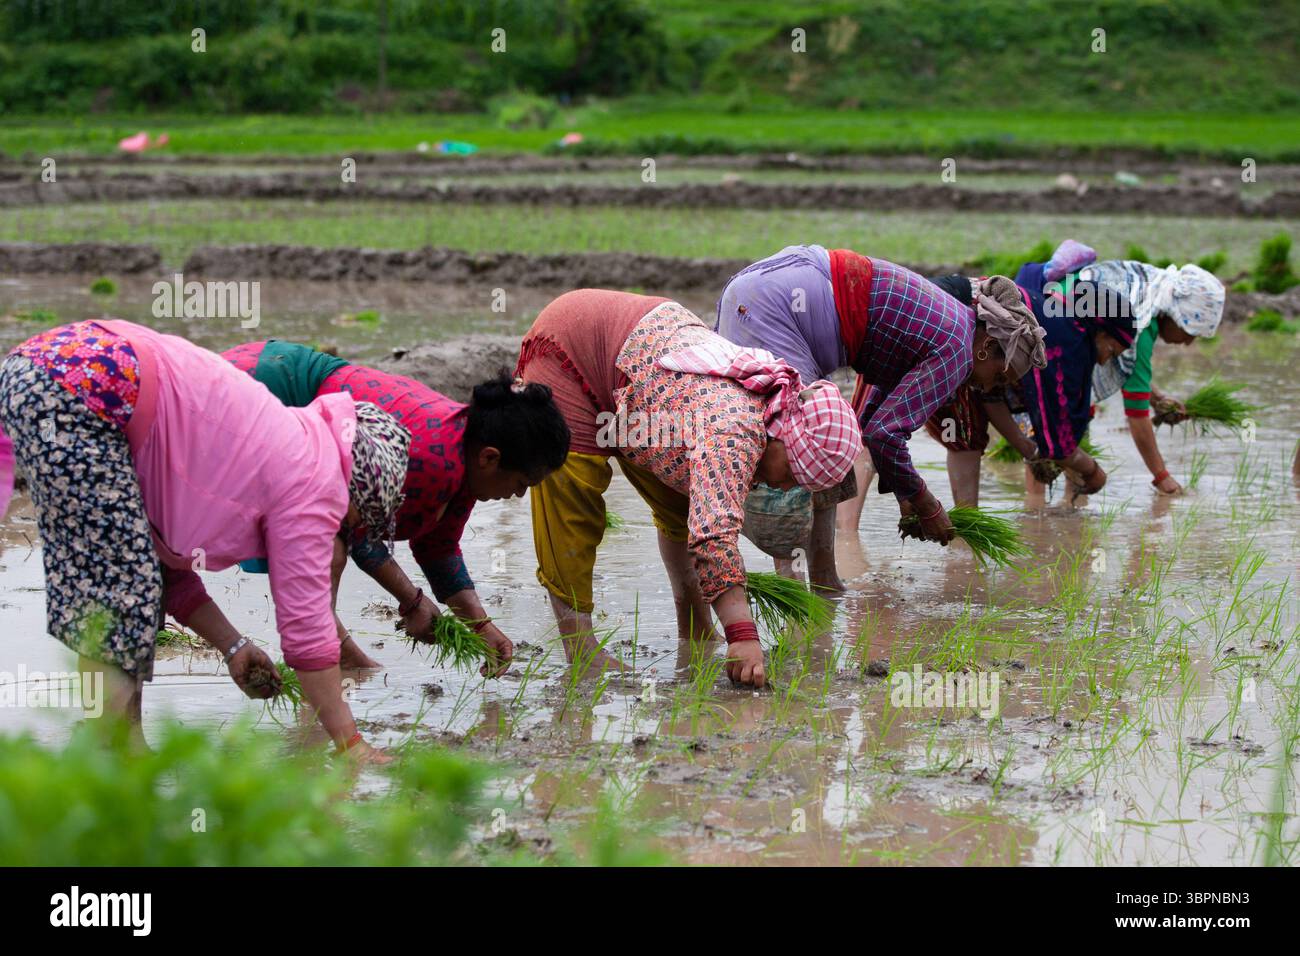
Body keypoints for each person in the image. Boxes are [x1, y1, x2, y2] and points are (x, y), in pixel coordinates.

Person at [0, 321, 409, 762]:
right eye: (355, 520)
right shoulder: (315, 478)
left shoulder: (282, 443)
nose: (344, 529)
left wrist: (232, 647)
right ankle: (117, 759)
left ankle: (120, 751)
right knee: (116, 596)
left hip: (48, 367)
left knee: (128, 582)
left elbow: (164, 573)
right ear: (356, 488)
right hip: (91, 381)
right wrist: (351, 743)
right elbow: (307, 633)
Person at [517, 289, 862, 688]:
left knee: (679, 510)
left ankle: (695, 631)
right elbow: (713, 537)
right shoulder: (735, 431)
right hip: (576, 347)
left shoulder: (773, 405)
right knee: (572, 506)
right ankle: (582, 652)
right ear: (786, 438)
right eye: (792, 474)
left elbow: (701, 519)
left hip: (648, 380)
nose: (783, 486)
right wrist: (744, 637)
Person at [224, 341, 570, 677]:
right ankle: (323, 661)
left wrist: (481, 626)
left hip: (285, 386)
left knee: (323, 541)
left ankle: (334, 660)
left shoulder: (467, 457)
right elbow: (357, 528)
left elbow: (438, 549)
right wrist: (413, 601)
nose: (519, 495)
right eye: (522, 483)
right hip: (264, 389)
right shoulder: (432, 460)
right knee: (325, 545)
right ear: (491, 458)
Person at [716, 244, 1045, 582]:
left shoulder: (949, 325)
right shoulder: (958, 351)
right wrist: (928, 504)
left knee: (829, 444)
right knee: (792, 448)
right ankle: (797, 595)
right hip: (776, 306)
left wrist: (907, 497)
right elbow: (884, 434)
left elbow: (873, 422)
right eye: (1000, 376)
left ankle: (828, 584)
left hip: (764, 285)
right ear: (987, 348)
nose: (991, 388)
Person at [1085, 260, 1225, 494]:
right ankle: (1037, 506)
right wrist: (1162, 478)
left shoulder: (1150, 290)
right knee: (1053, 434)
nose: (1189, 343)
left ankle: (1065, 508)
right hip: (1050, 341)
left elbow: (1130, 373)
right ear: (1175, 314)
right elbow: (1137, 414)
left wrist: (1158, 398)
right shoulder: (1140, 325)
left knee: (1073, 441)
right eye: (1190, 331)